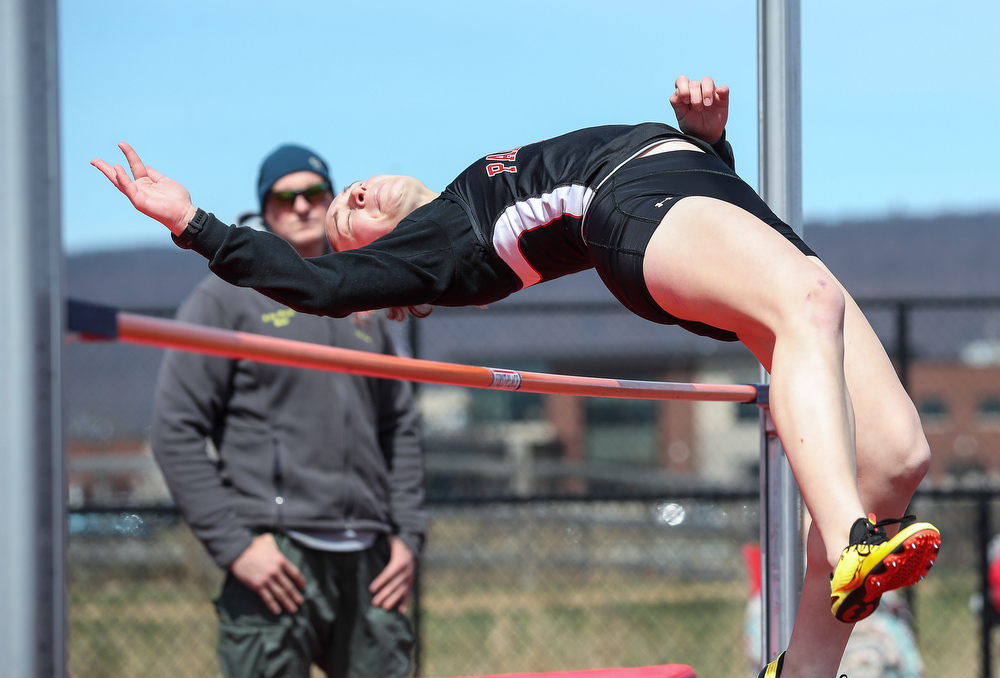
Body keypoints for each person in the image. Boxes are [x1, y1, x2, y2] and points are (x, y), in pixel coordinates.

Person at [95, 75, 941, 678]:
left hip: (704, 185)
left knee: (898, 453)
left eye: (345, 187)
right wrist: (197, 225)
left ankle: (805, 665)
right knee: (807, 299)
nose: (352, 192)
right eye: (349, 213)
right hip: (633, 210)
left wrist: (707, 139)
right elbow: (317, 285)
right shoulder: (438, 247)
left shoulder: (463, 184)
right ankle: (854, 543)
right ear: (386, 261)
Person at [148, 144, 426, 678]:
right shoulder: (225, 299)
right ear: (265, 206)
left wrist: (408, 537)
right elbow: (174, 430)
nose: (300, 206)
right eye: (284, 195)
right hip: (276, 559)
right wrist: (235, 547)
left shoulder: (366, 296)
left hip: (371, 561)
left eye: (314, 193)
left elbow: (400, 427)